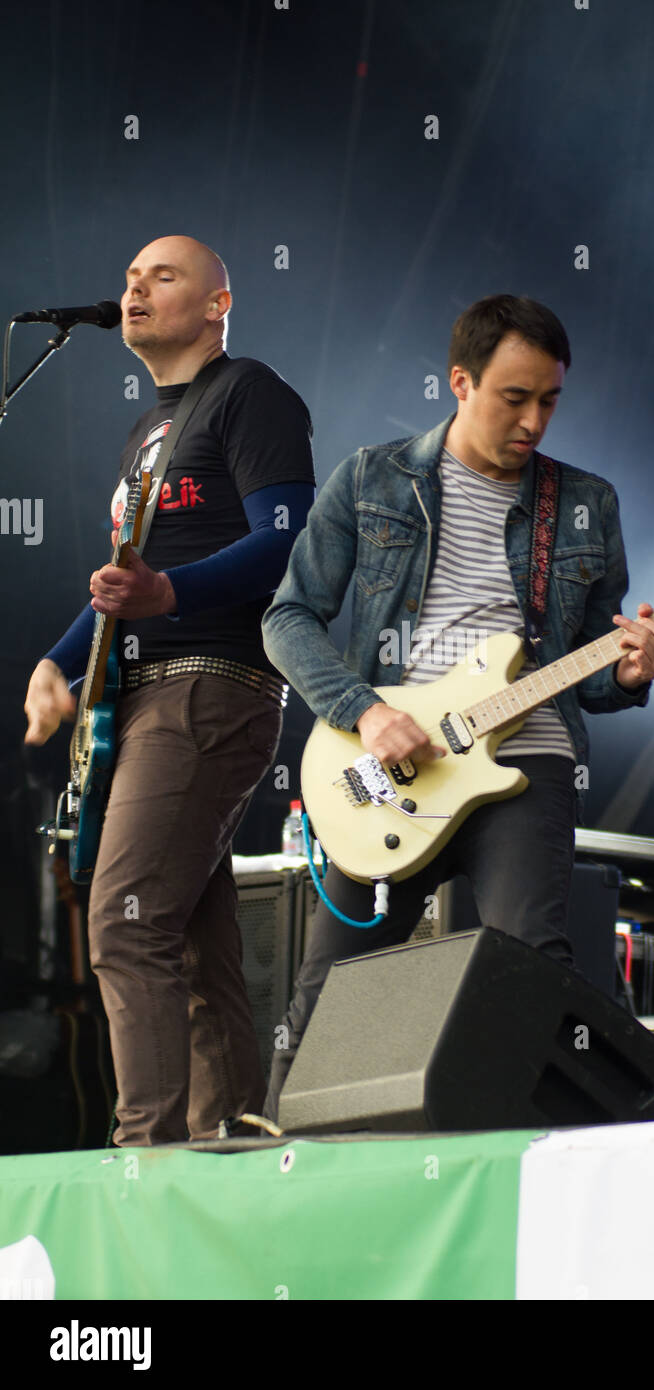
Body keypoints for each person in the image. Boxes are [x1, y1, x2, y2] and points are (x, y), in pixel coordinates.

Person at [260, 293, 654, 1119]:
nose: (534, 422)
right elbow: (286, 616)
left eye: (549, 401)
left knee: (530, 962)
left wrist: (632, 671)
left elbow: (589, 669)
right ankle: (272, 1154)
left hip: (528, 758)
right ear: (460, 380)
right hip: (393, 759)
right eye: (513, 398)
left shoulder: (586, 503)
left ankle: (524, 1159)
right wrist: (363, 712)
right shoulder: (373, 477)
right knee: (334, 980)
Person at [23, 235, 315, 1145]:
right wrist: (58, 662)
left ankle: (144, 1157)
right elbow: (130, 576)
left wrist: (171, 595)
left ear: (219, 303)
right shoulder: (146, 431)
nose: (134, 288)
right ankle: (225, 1136)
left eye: (162, 276)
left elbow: (286, 537)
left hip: (207, 686)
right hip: (143, 693)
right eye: (128, 278)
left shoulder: (250, 392)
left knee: (122, 921)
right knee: (188, 938)